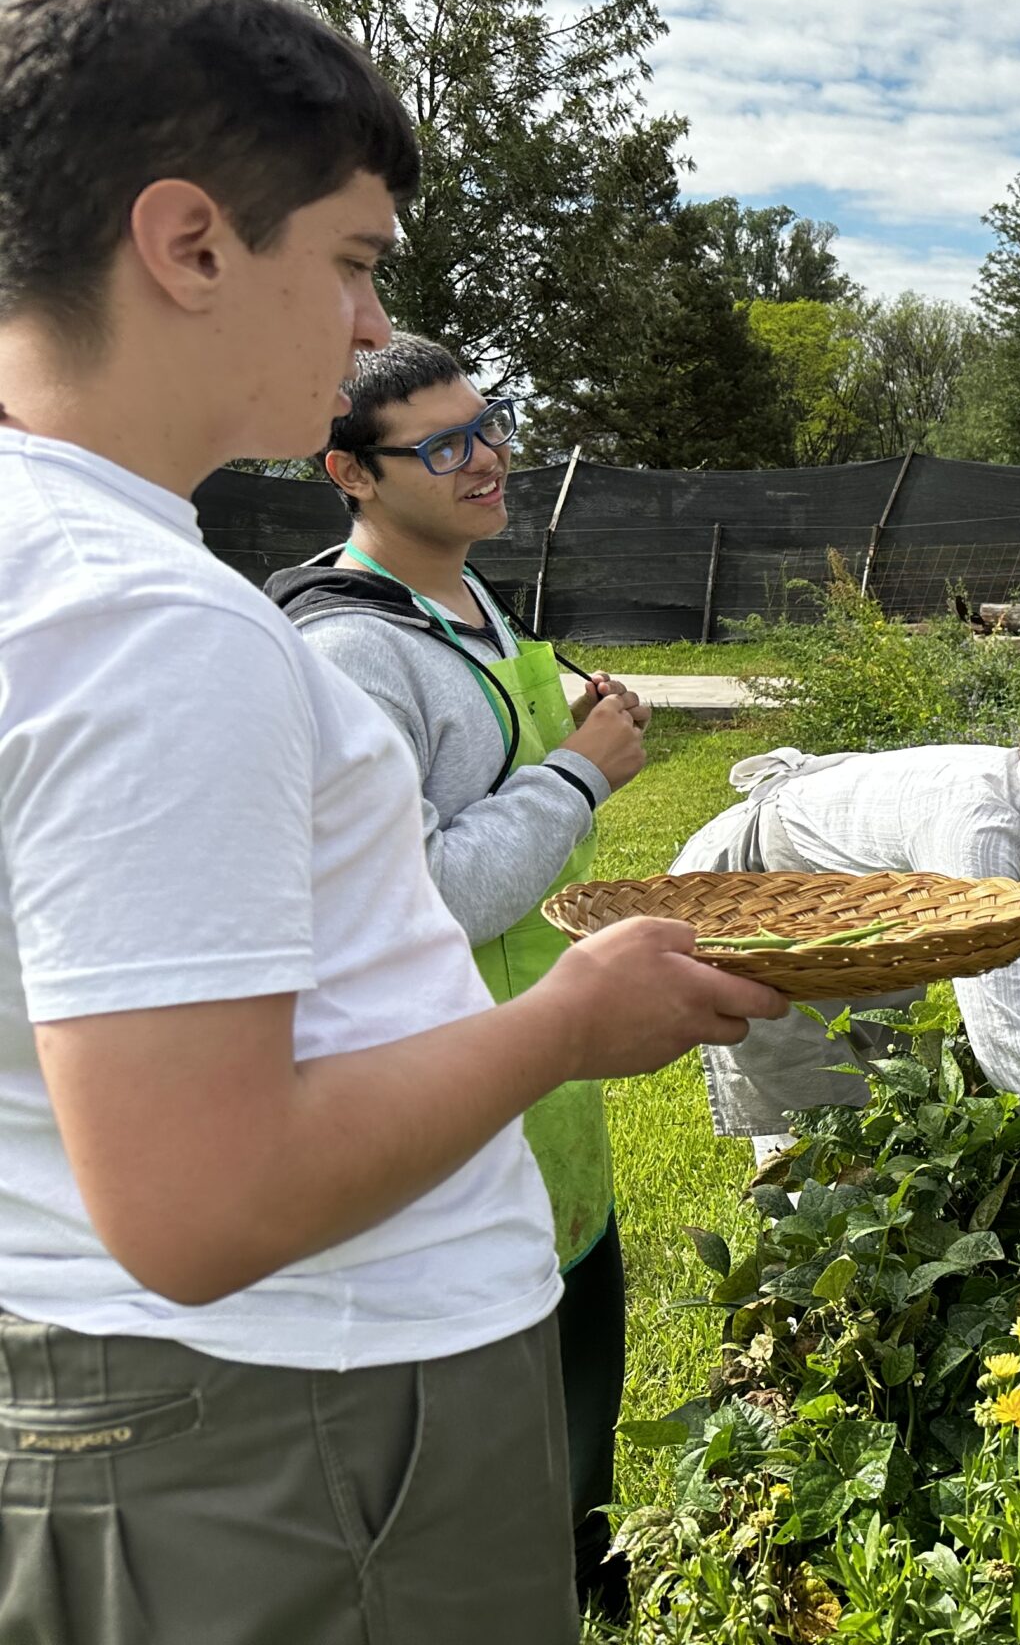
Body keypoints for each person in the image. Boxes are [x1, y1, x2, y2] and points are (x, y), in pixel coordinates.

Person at [0, 0, 784, 1645]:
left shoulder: (49, 564)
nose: (369, 323)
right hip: (298, 1445)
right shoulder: (144, 624)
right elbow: (201, 1204)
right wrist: (568, 1024)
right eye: (356, 263)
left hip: (183, 1421)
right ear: (192, 242)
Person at [265, 334, 651, 1613]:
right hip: (449, 1082)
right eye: (442, 445)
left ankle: (578, 1580)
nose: (485, 459)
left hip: (547, 1067)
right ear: (350, 474)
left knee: (577, 1370)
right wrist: (585, 772)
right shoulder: (349, 653)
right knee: (484, 1433)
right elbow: (418, 894)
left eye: (487, 428)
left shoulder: (471, 606)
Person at [672, 694, 1020, 1152]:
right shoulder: (977, 827)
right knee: (816, 1140)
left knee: (867, 1103)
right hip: (760, 902)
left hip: (864, 917)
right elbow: (1008, 1035)